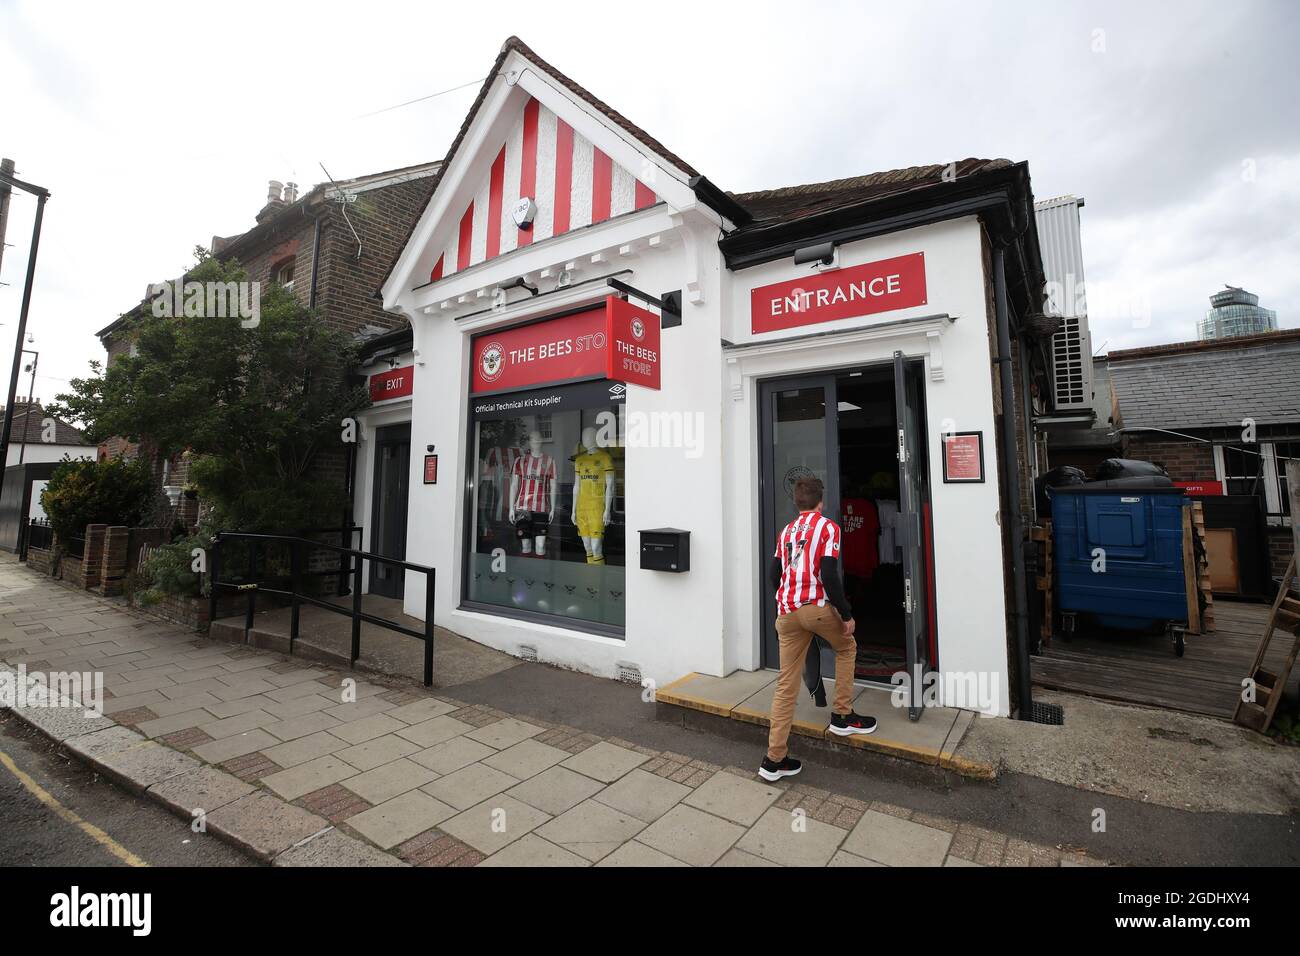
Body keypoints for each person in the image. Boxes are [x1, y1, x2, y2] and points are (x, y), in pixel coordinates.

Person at [761, 477, 877, 781]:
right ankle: (842, 715)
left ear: (797, 502)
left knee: (786, 685)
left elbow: (774, 573)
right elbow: (829, 574)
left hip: (786, 612)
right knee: (846, 647)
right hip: (816, 609)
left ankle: (774, 760)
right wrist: (846, 613)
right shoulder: (828, 528)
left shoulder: (786, 531)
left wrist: (787, 599)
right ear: (820, 502)